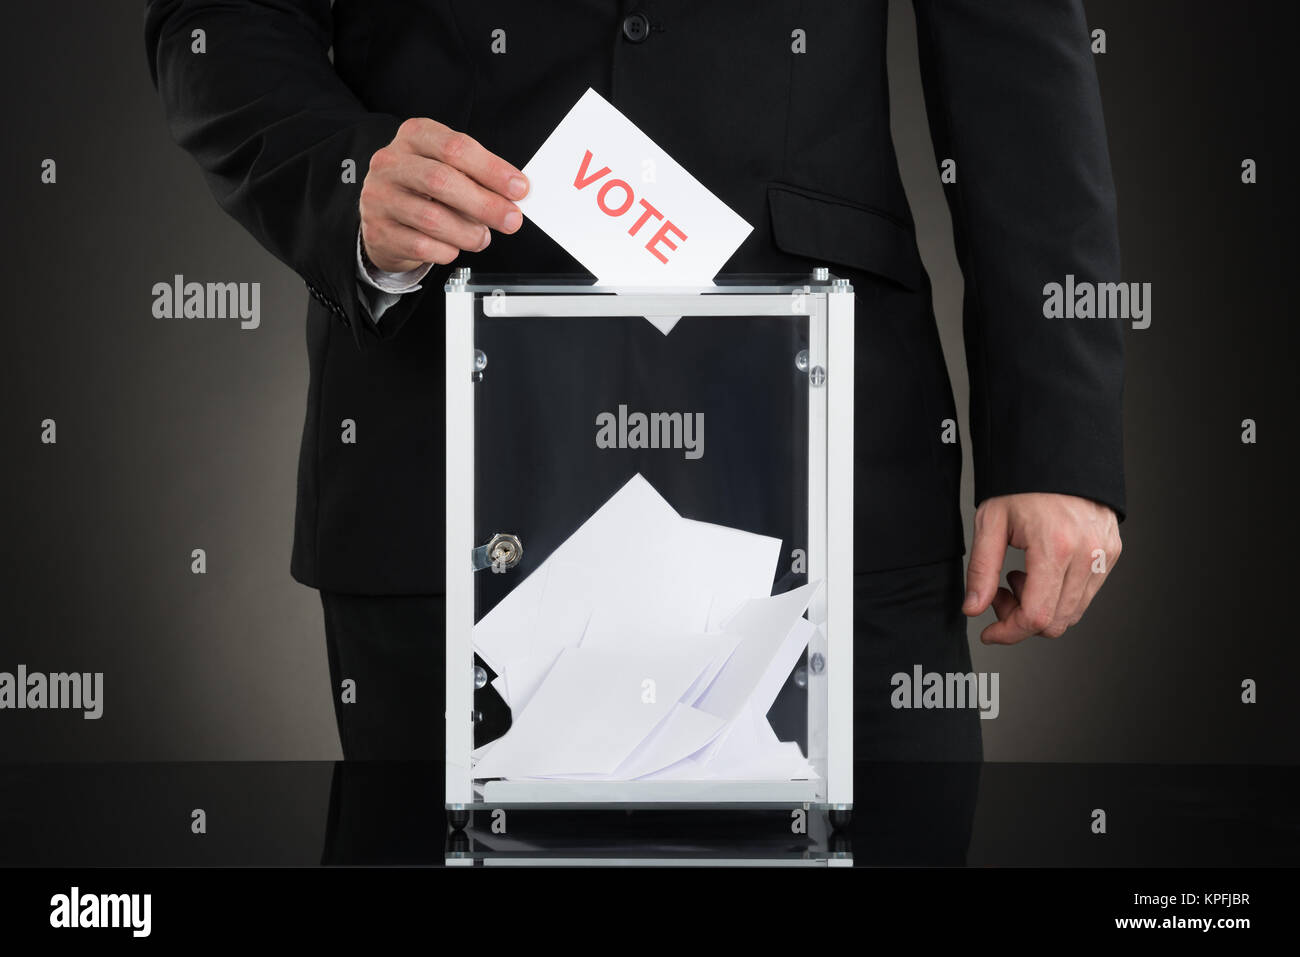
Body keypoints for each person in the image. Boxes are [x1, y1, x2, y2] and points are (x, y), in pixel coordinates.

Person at [144, 0, 1124, 768]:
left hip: (829, 465)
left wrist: (1053, 433)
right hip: (445, 453)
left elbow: (1016, 49)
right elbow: (218, 16)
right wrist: (346, 176)